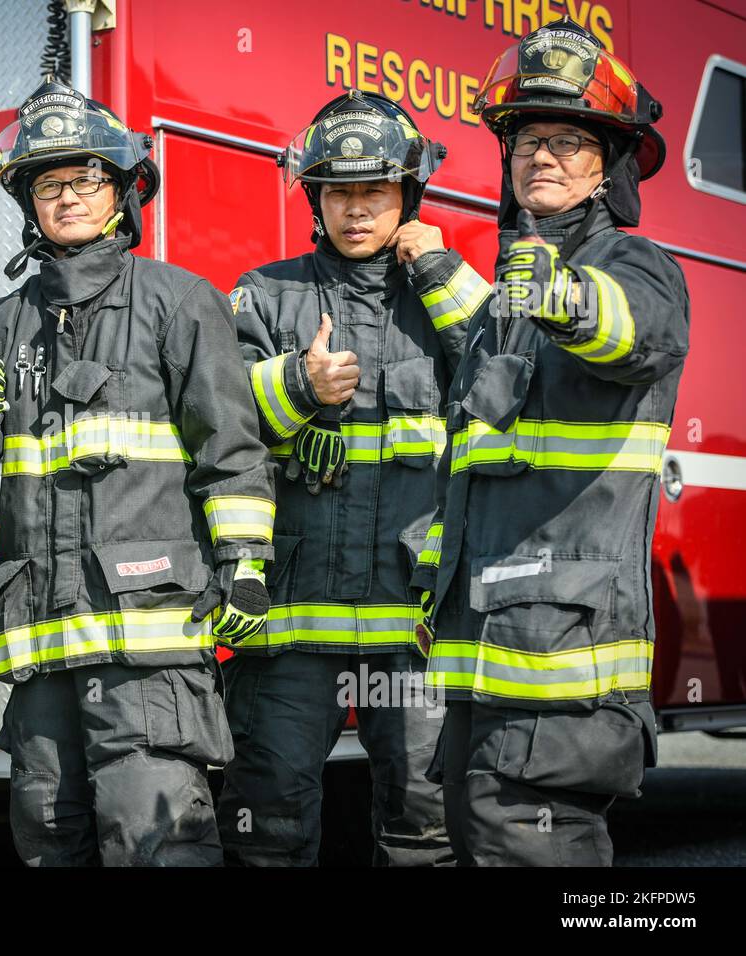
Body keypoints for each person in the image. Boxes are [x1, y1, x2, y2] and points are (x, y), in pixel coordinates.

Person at [0, 78, 276, 866]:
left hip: (149, 653)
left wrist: (246, 565)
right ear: (28, 204)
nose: (68, 197)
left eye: (86, 179)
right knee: (49, 841)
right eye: (50, 184)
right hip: (42, 655)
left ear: (120, 190)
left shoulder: (180, 304)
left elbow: (233, 451)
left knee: (154, 841)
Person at [418, 19, 687, 866]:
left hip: (566, 661)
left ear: (607, 165)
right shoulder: (509, 297)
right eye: (527, 140)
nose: (540, 155)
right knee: (479, 836)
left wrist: (566, 297)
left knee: (533, 847)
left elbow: (641, 333)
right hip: (485, 652)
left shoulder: (634, 264)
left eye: (566, 140)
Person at [219, 90, 484, 866]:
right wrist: (296, 388)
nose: (357, 209)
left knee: (423, 822)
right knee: (266, 821)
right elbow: (216, 421)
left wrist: (439, 268)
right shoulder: (267, 294)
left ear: (409, 193)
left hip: (413, 623)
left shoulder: (441, 293)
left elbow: (512, 373)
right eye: (339, 191)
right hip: (295, 629)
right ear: (315, 198)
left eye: (375, 190)